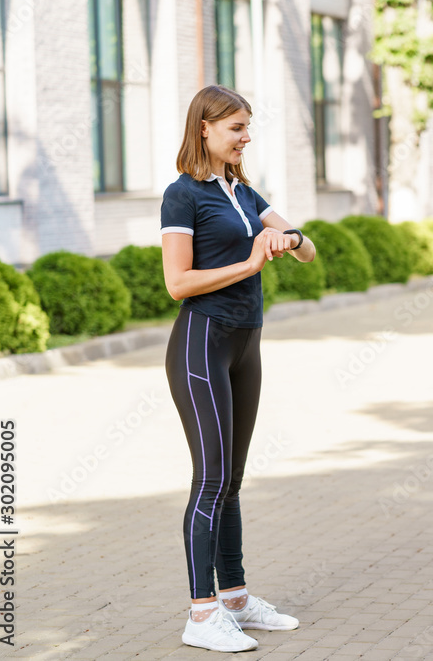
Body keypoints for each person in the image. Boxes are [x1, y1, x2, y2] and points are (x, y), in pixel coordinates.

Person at [160, 85, 318, 653]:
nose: (246, 137)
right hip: (201, 345)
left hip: (246, 345)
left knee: (232, 481)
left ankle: (234, 599)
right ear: (204, 127)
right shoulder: (183, 196)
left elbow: (308, 250)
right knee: (210, 480)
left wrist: (289, 236)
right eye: (236, 128)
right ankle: (201, 616)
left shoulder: (244, 191)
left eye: (248, 127)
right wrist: (251, 260)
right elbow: (177, 283)